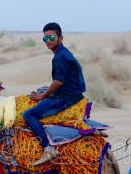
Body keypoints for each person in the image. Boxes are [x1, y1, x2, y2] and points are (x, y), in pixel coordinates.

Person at [23, 22, 86, 166]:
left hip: (66, 97)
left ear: (60, 37)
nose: (48, 41)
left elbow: (58, 82)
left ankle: (47, 148)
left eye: (51, 37)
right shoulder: (62, 53)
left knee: (28, 115)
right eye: (45, 38)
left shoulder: (60, 56)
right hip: (69, 93)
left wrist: (42, 96)